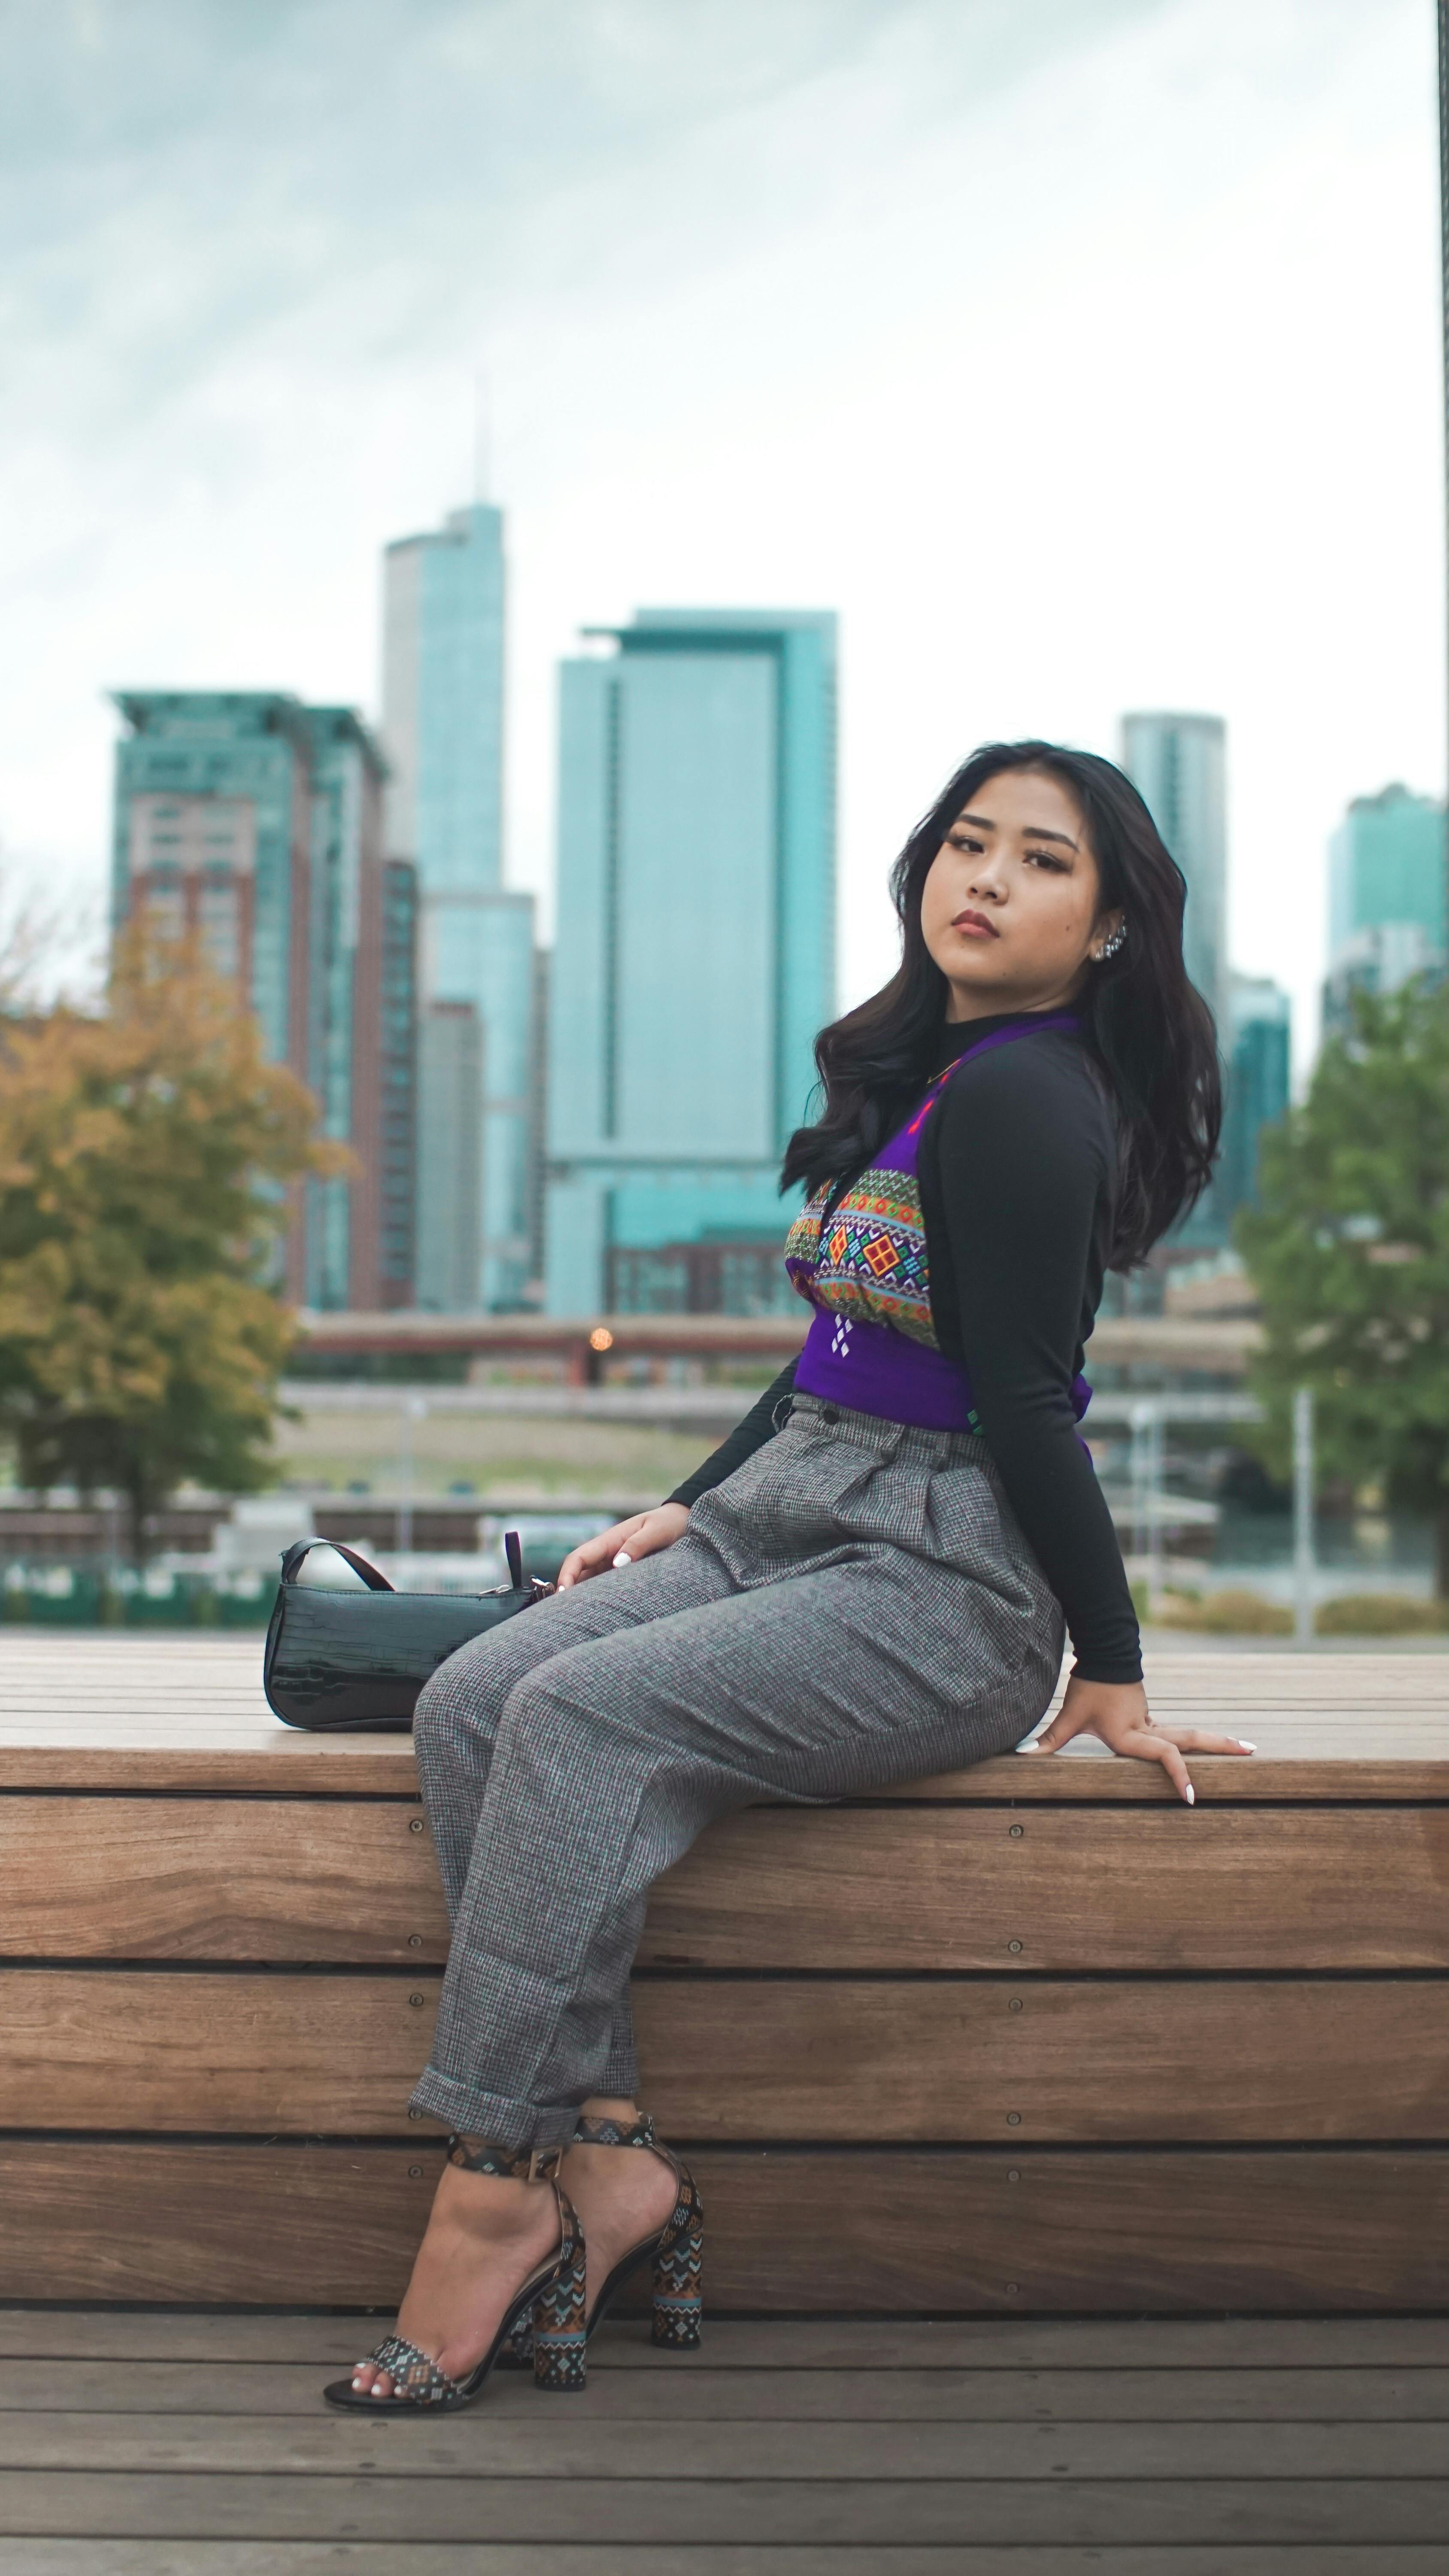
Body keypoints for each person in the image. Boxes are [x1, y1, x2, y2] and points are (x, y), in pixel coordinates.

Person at [327, 738, 1257, 2414]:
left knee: (578, 1719)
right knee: (476, 1695)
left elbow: (1029, 1398)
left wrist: (1106, 1666)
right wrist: (688, 1504)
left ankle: (488, 2191)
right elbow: (831, 1348)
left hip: (943, 1585)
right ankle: (610, 2162)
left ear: (1112, 925)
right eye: (967, 843)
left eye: (1043, 861)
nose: (984, 878)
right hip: (795, 1507)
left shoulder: (1036, 1095)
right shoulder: (931, 1072)